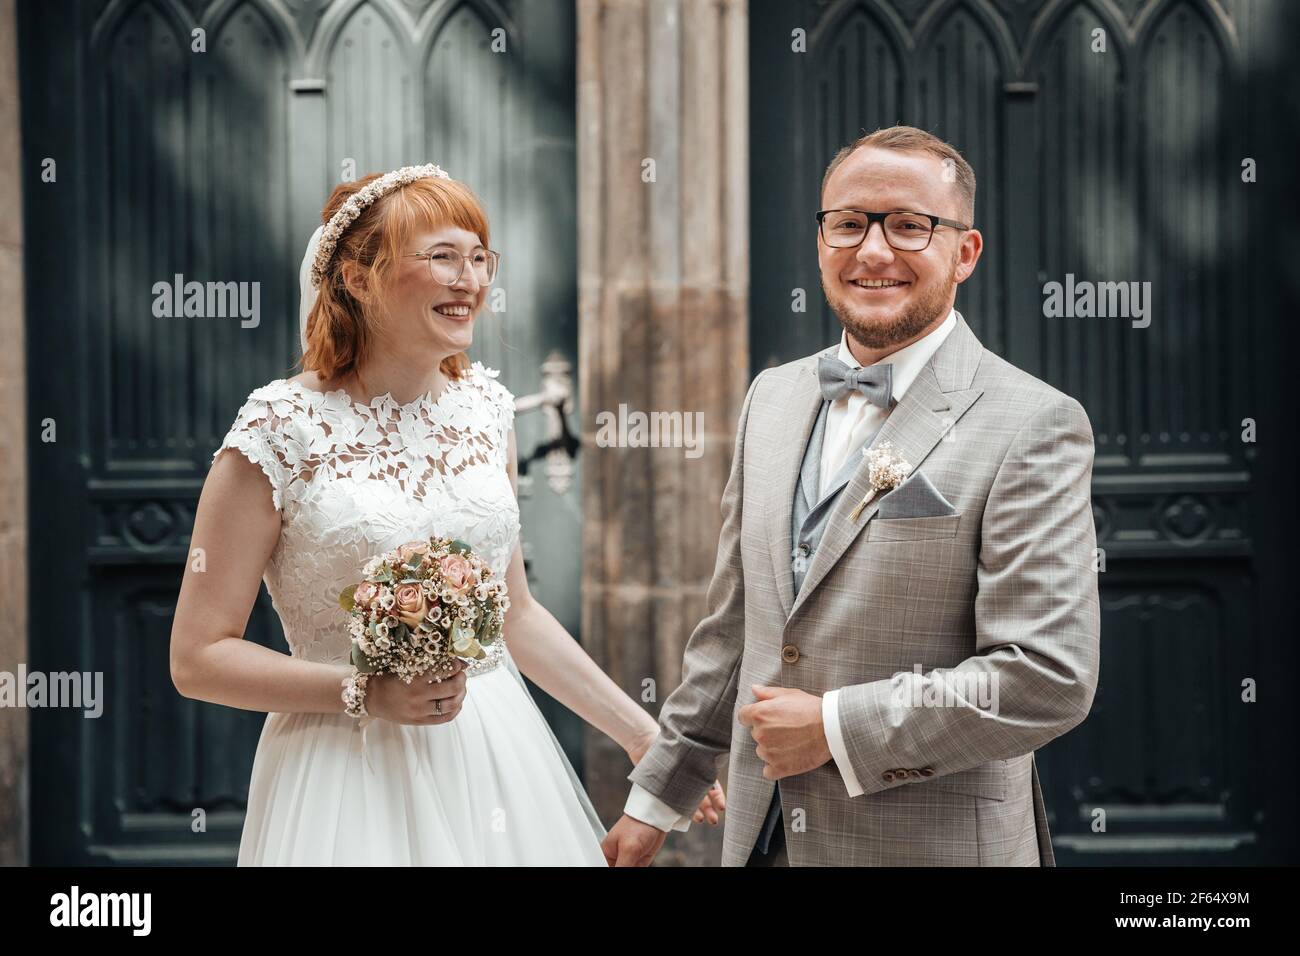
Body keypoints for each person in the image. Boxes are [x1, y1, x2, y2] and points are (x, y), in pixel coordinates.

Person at [169, 164, 724, 865]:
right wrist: (364, 691)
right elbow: (198, 659)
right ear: (358, 278)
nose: (470, 279)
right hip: (344, 769)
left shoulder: (487, 412)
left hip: (491, 750)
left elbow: (515, 615)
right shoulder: (280, 429)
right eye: (442, 257)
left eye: (479, 257)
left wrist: (643, 736)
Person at [603, 126, 1100, 866]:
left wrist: (835, 726)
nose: (872, 251)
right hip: (764, 841)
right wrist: (657, 799)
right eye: (849, 224)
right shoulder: (771, 397)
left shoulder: (1033, 422)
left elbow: (1045, 675)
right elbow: (735, 628)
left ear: (964, 253)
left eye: (909, 226)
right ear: (821, 240)